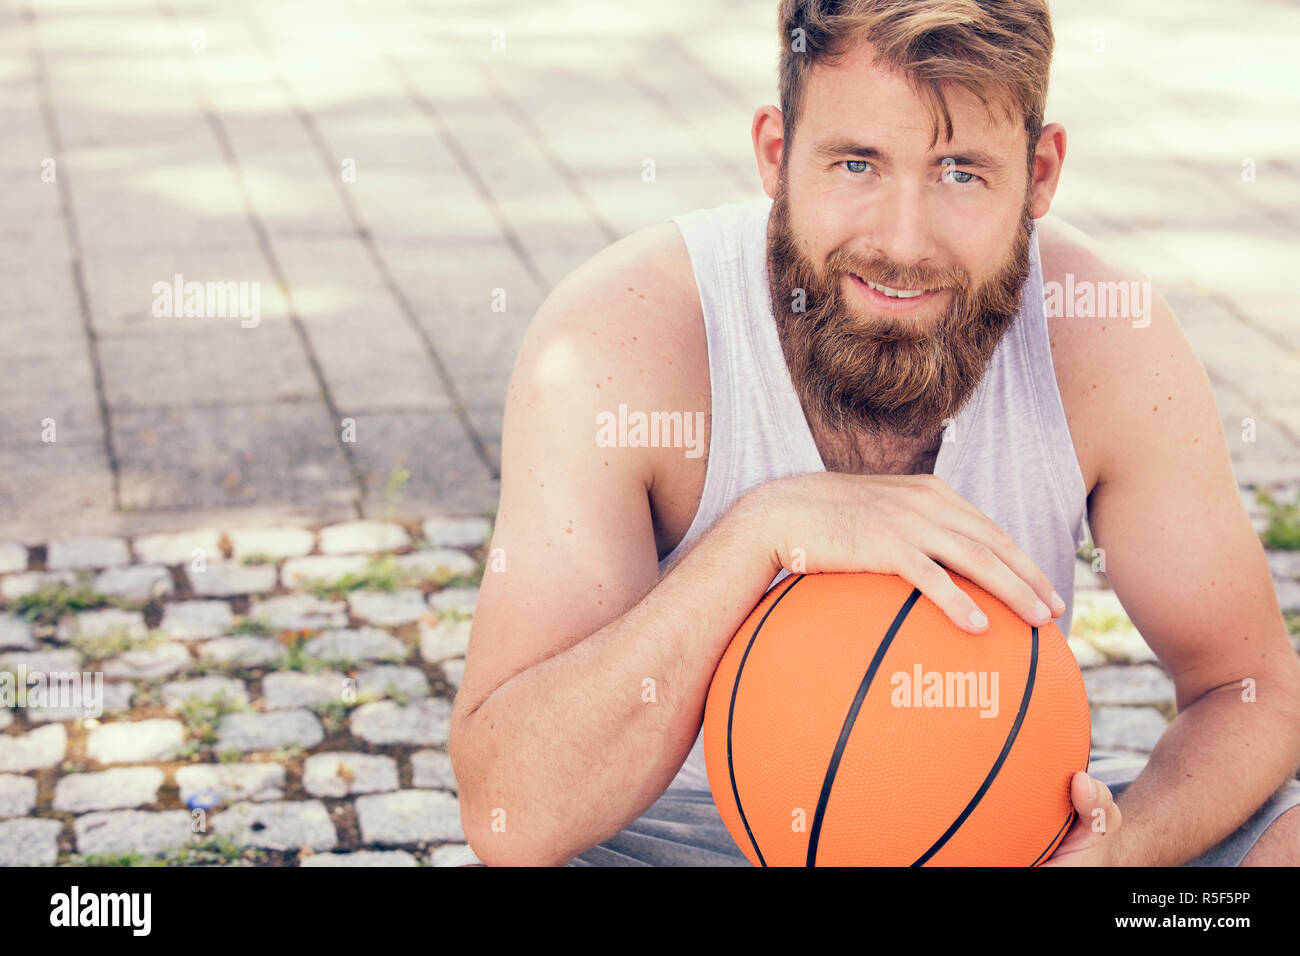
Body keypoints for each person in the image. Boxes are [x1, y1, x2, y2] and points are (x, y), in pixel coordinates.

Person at [446, 0, 1300, 866]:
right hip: (690, 829)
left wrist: (1131, 849)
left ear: (1041, 173)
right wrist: (762, 533)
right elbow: (512, 809)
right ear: (776, 155)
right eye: (857, 163)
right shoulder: (617, 339)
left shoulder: (1103, 335)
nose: (904, 241)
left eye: (961, 171)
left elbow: (1249, 687)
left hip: (995, 815)